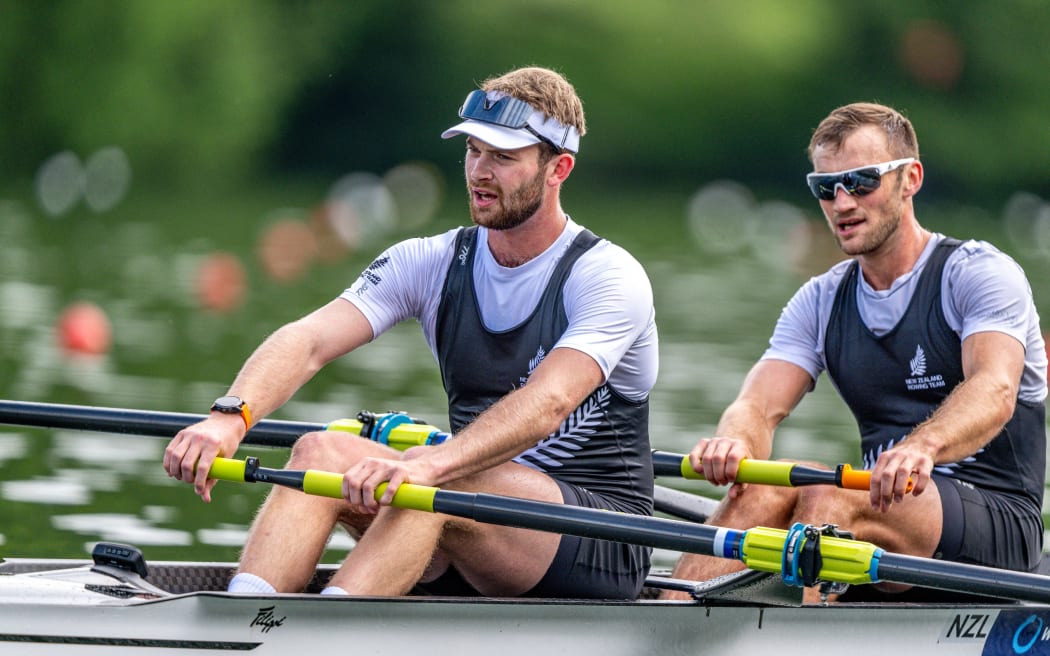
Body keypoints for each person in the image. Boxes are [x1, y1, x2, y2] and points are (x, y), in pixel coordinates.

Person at [163, 66, 659, 600]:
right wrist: (230, 417)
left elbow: (551, 403)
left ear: (558, 168)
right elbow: (308, 341)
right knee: (318, 452)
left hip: (597, 541)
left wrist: (430, 464)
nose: (479, 171)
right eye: (473, 150)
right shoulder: (429, 261)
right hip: (461, 504)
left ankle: (324, 637)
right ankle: (250, 618)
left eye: (503, 157)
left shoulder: (607, 276)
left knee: (431, 484)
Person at [663, 102, 1046, 602]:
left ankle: (803, 630)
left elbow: (994, 389)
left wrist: (920, 448)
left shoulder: (977, 275)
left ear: (910, 179)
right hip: (881, 507)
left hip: (996, 522)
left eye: (861, 182)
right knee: (758, 490)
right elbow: (757, 406)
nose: (842, 202)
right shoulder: (821, 300)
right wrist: (733, 443)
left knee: (827, 489)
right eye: (826, 188)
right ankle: (668, 617)